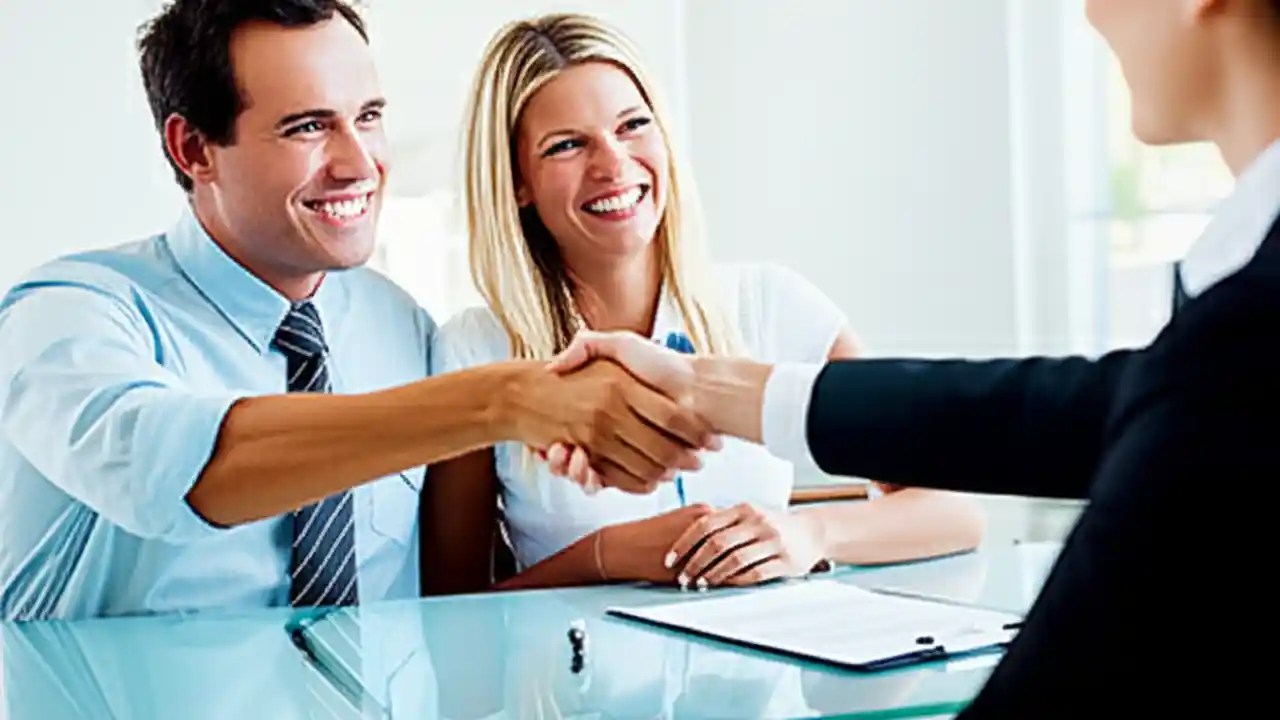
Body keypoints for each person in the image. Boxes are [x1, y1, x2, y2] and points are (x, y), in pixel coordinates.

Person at [545, 0, 1280, 714]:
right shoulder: (1238, 310)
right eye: (567, 143)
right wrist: (715, 393)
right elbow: (1093, 405)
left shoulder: (1247, 325)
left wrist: (808, 527)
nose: (1091, 12)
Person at [0, 0, 714, 622]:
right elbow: (175, 470)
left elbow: (454, 598)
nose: (359, 162)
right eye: (308, 127)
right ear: (194, 149)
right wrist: (504, 399)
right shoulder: (68, 314)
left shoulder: (399, 327)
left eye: (368, 117)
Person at [422, 12, 983, 595]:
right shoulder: (474, 352)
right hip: (575, 682)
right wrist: (606, 556)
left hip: (772, 670)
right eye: (567, 145)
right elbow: (449, 605)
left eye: (632, 126)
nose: (613, 164)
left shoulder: (771, 303)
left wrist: (809, 534)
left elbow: (953, 511)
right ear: (516, 183)